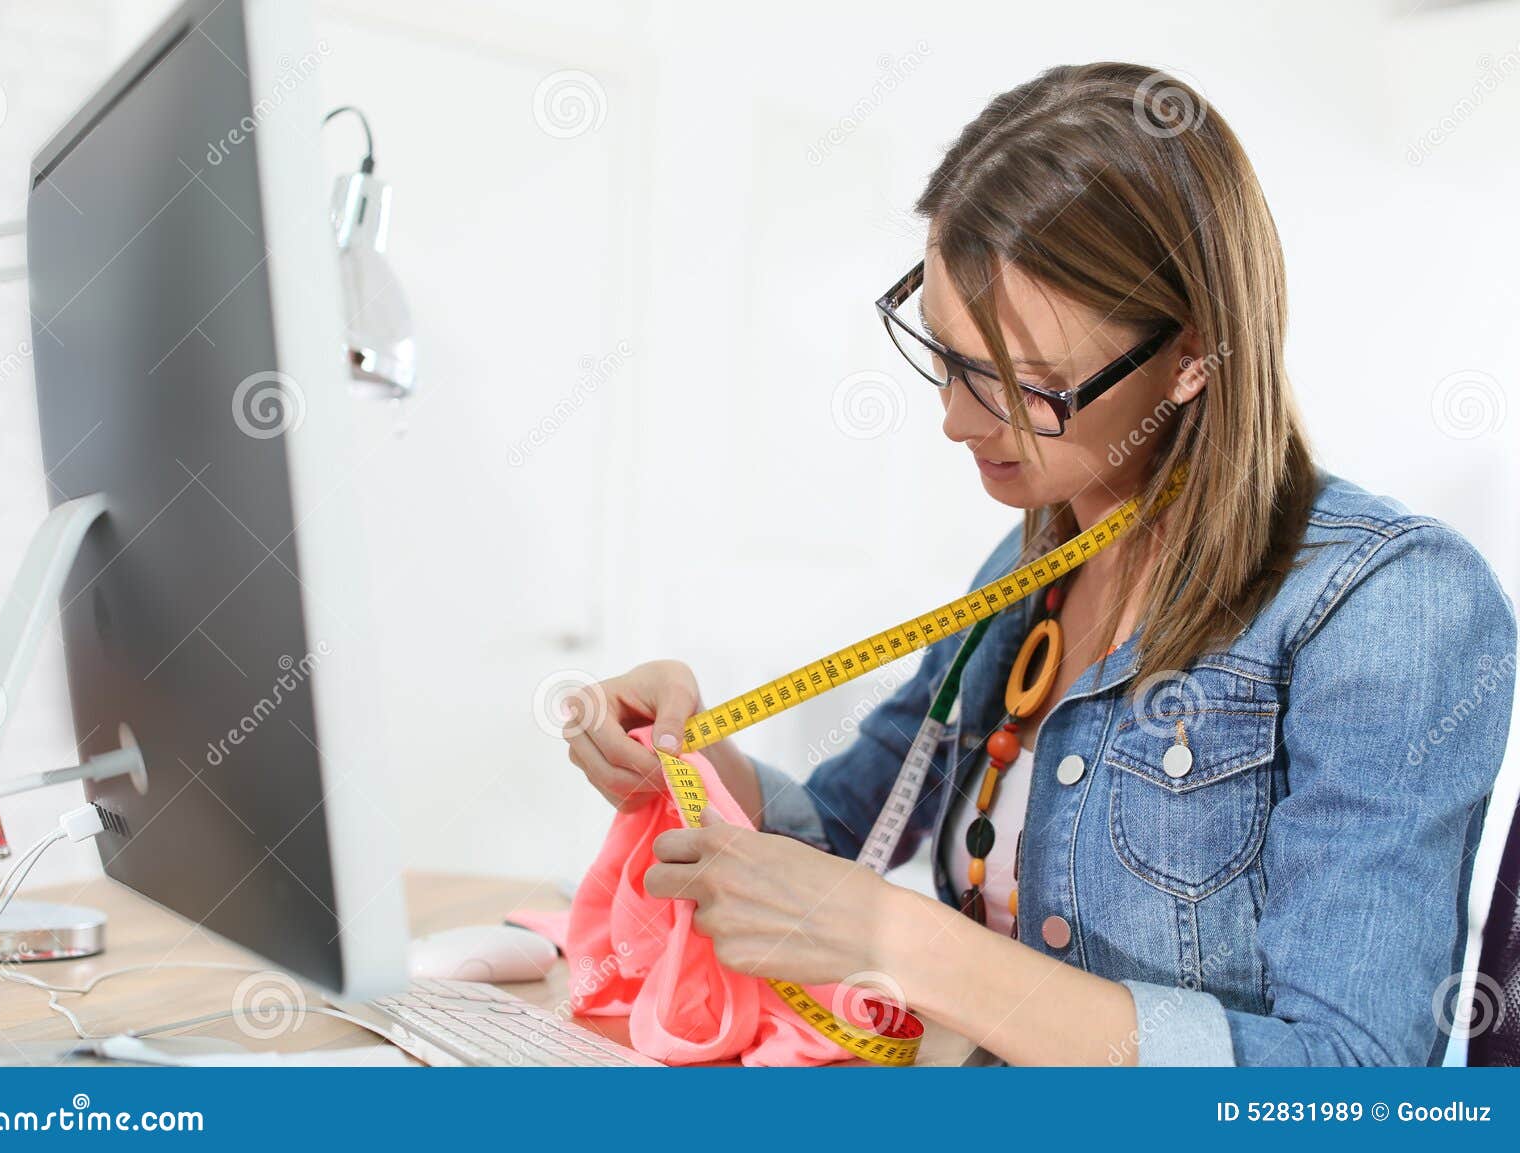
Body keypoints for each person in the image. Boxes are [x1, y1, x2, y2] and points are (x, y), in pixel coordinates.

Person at [563, 62, 1517, 1066]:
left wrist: (905, 941)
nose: (954, 420)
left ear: (1191, 356)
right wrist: (689, 760)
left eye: (1019, 385)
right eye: (940, 350)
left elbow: (1350, 1086)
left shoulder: (1391, 605)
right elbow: (844, 827)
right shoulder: (1025, 569)